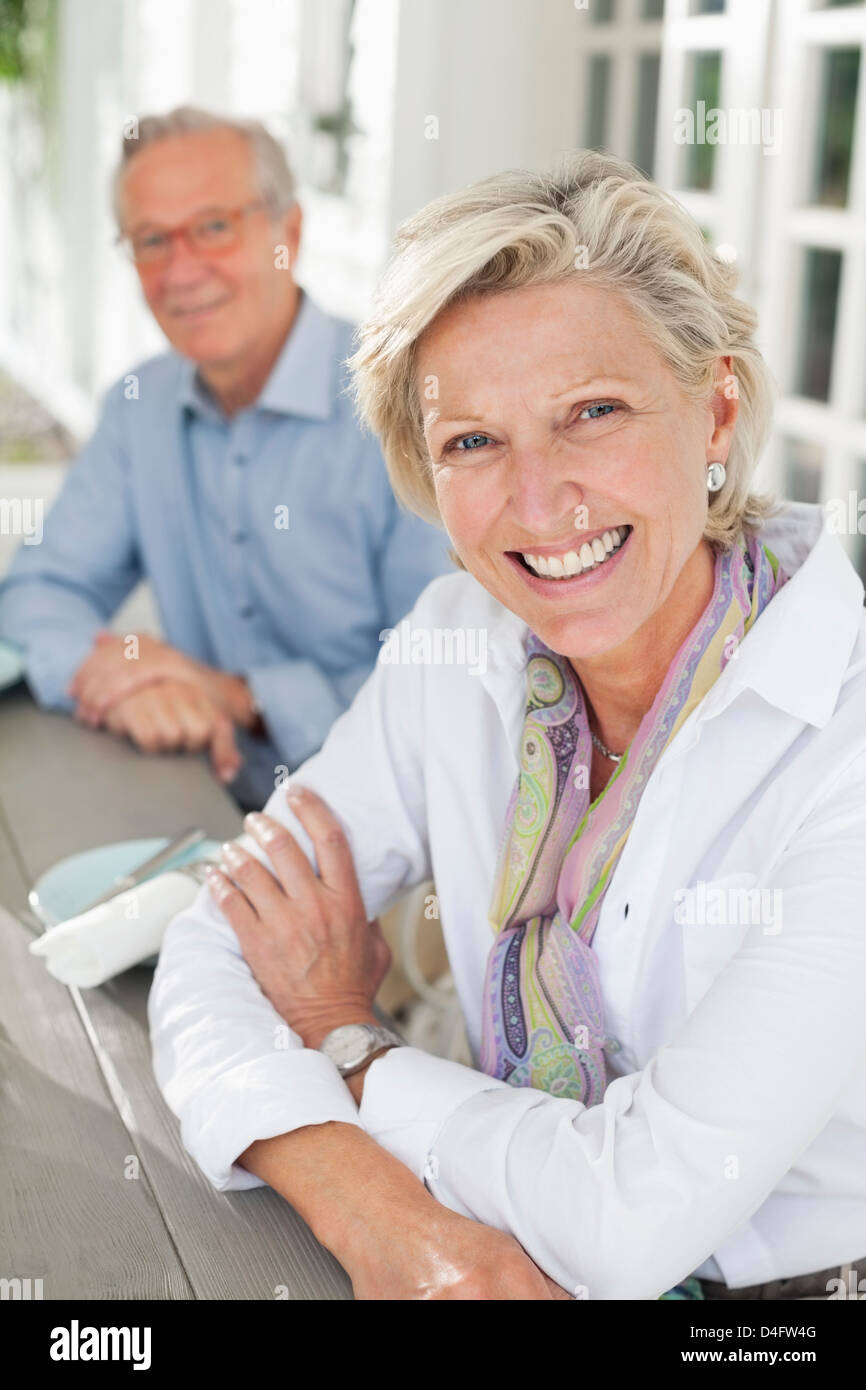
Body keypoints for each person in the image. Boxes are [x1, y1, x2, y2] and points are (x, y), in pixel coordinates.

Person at [148, 150, 866, 1300]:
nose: (537, 502)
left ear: (716, 406)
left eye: (592, 412)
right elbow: (217, 940)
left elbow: (632, 1222)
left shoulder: (846, 738)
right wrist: (367, 1205)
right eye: (472, 442)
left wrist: (353, 1041)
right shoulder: (459, 637)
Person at [0, 107, 451, 808]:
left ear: (289, 233)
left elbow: (441, 682)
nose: (181, 269)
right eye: (151, 240)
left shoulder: (412, 407)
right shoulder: (138, 405)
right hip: (196, 799)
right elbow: (37, 591)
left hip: (392, 830)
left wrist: (242, 699)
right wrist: (118, 677)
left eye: (213, 227)